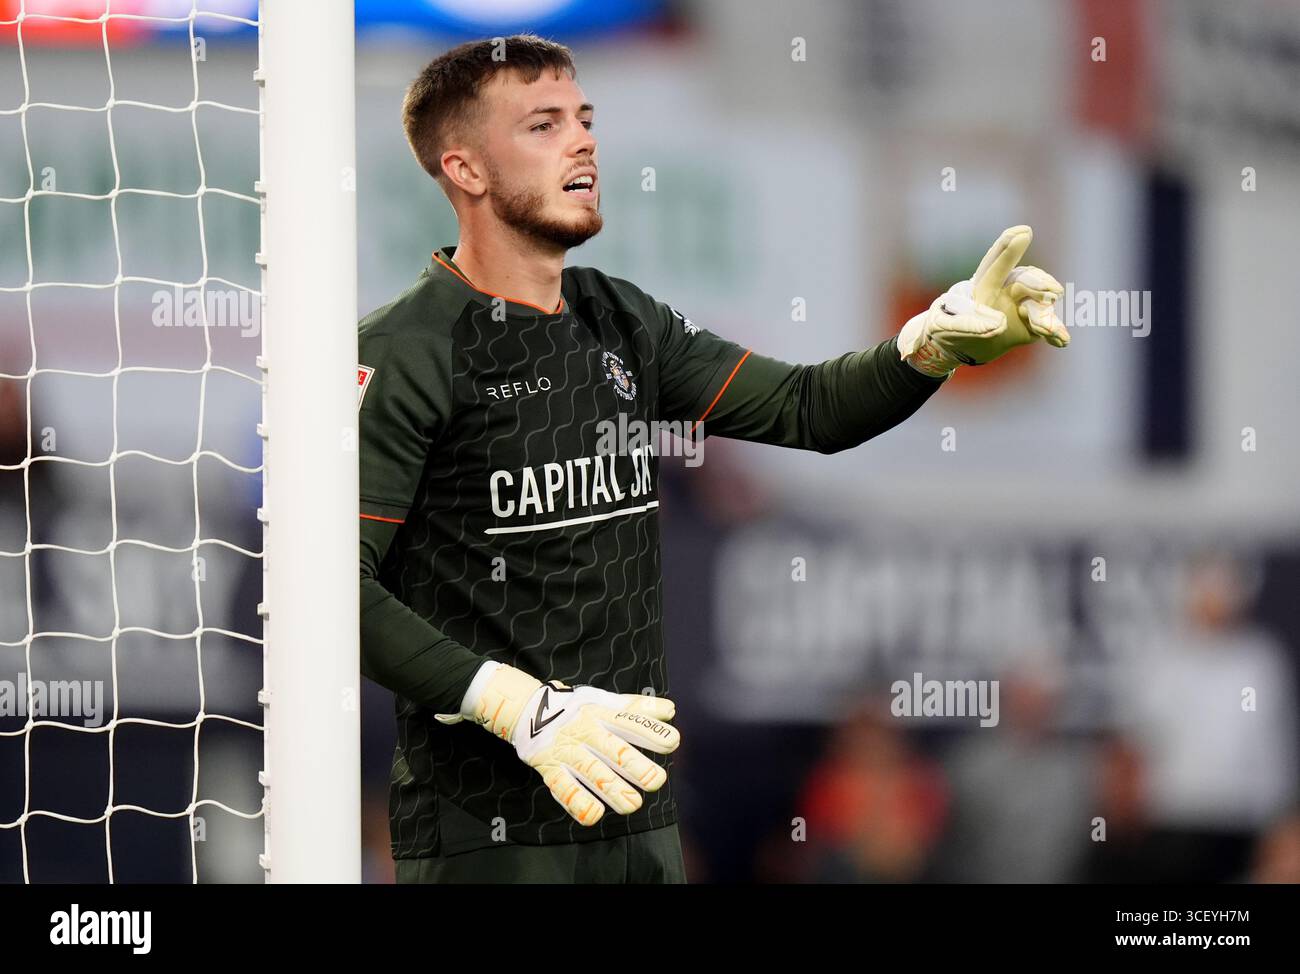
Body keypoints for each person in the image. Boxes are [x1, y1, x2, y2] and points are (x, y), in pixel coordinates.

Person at [358, 33, 1070, 884]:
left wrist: (927, 346)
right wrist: (515, 708)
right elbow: (331, 589)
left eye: (584, 118)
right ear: (465, 170)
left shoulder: (620, 321)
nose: (584, 139)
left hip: (639, 821)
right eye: (544, 124)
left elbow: (807, 408)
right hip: (488, 831)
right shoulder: (403, 351)